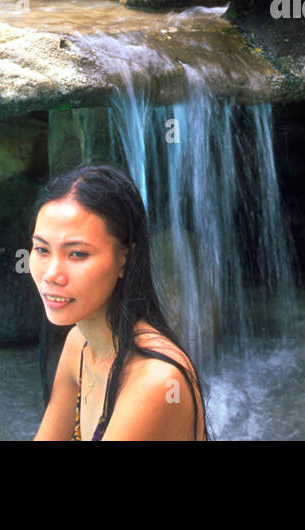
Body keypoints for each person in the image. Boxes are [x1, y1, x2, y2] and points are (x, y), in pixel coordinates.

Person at [29, 164, 207, 440]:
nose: (51, 275)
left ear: (125, 257)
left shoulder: (157, 381)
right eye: (41, 249)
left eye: (76, 254)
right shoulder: (80, 344)